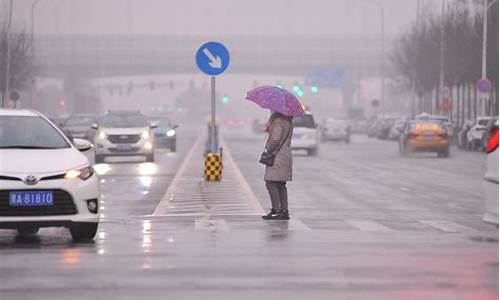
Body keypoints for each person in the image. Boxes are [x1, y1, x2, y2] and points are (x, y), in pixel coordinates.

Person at [262, 111, 293, 220]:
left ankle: (276, 209)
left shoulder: (278, 121)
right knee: (280, 184)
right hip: (286, 155)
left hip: (277, 157)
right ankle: (284, 211)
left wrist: (268, 149)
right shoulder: (288, 121)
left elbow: (275, 140)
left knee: (270, 182)